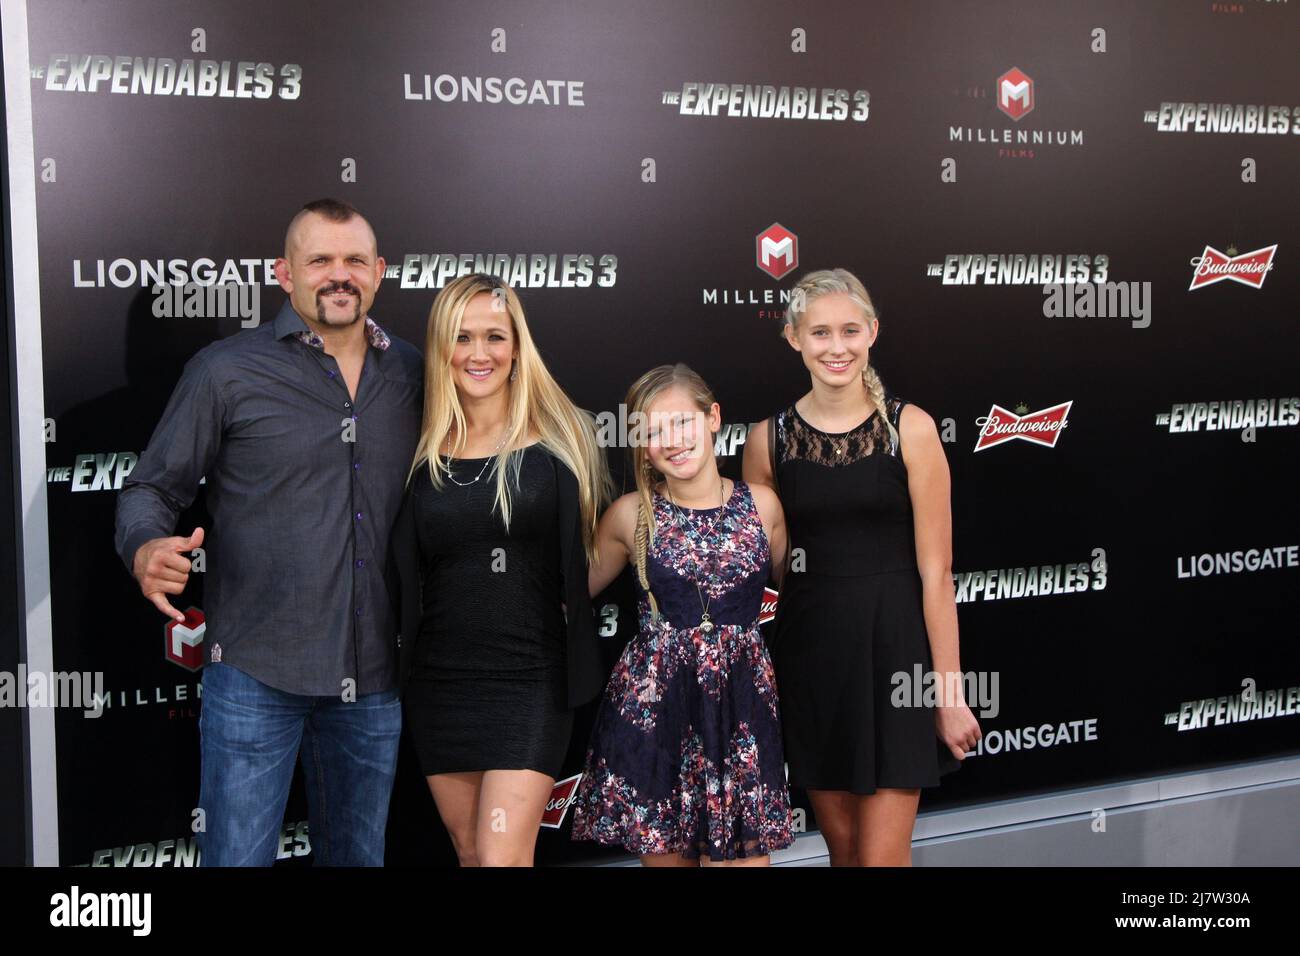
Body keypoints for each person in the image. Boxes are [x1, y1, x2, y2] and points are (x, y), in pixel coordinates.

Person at [114, 198, 423, 865]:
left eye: (354, 261)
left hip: (372, 680)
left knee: (358, 859)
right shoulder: (225, 370)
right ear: (284, 274)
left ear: (379, 271)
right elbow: (151, 487)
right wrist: (144, 547)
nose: (338, 275)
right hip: (255, 675)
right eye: (320, 261)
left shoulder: (416, 374)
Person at [743, 267, 981, 867]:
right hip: (812, 661)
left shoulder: (912, 429)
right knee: (844, 853)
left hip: (896, 657)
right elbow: (764, 568)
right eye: (819, 332)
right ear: (794, 338)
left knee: (880, 859)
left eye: (850, 330)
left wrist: (948, 694)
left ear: (872, 332)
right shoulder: (767, 440)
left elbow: (937, 574)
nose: (836, 347)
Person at [388, 273, 611, 867]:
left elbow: (596, 551)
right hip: (439, 683)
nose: (479, 353)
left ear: (518, 347)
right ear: (442, 350)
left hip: (531, 680)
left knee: (500, 856)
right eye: (462, 338)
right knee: (468, 850)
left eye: (495, 336)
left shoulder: (563, 441)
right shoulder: (417, 448)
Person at [571, 363, 794, 866]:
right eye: (652, 431)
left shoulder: (763, 506)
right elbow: (566, 597)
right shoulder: (631, 515)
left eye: (681, 423)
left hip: (740, 718)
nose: (670, 441)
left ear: (712, 418)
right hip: (657, 720)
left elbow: (803, 598)